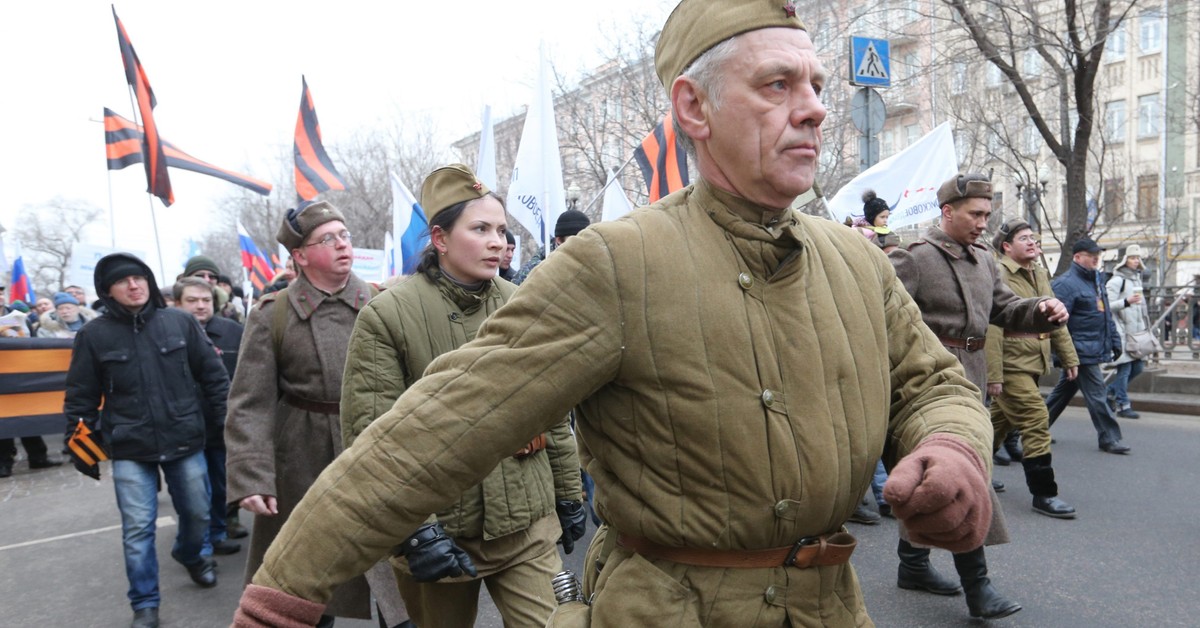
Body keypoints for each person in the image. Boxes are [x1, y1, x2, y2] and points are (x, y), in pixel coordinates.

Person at [232, 3, 999, 626]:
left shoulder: (857, 261)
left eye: (818, 86)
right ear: (694, 107)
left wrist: (952, 448)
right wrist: (283, 595)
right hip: (670, 612)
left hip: (830, 608)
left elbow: (933, 383)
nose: (815, 111)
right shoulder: (616, 264)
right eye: (777, 86)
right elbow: (431, 432)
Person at [341, 164, 583, 628]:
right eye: (480, 229)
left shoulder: (524, 302)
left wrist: (569, 494)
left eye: (500, 229)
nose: (497, 241)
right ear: (440, 238)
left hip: (526, 525)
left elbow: (552, 408)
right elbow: (372, 434)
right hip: (441, 532)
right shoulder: (387, 316)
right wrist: (416, 532)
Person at [888, 173, 1067, 620]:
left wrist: (1042, 311)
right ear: (947, 212)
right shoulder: (914, 259)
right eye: (976, 214)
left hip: (972, 373)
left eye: (988, 215)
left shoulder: (984, 258)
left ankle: (912, 565)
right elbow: (882, 320)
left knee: (931, 477)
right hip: (924, 381)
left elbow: (1005, 309)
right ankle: (979, 588)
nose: (984, 224)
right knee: (961, 478)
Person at [224, 200, 376, 624]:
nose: (343, 245)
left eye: (344, 236)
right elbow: (248, 403)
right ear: (300, 256)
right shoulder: (272, 316)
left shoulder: (381, 303)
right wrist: (252, 476)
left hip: (373, 448)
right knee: (306, 585)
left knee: (397, 577)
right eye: (328, 239)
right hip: (302, 460)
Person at [64, 253, 230, 628]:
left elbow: (215, 379)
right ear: (107, 291)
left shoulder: (181, 323)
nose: (134, 285)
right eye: (124, 281)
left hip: (185, 438)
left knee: (198, 513)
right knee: (137, 529)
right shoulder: (93, 335)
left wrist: (225, 427)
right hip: (128, 447)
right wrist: (81, 449)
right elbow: (80, 397)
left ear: (150, 282)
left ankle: (190, 555)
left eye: (139, 277)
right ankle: (145, 603)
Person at [985, 219, 1080, 519]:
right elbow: (993, 326)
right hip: (1011, 363)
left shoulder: (1038, 272)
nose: (1032, 242)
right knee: (1036, 418)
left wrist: (1069, 357)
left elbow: (1054, 315)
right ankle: (1044, 493)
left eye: (1033, 237)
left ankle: (969, 473)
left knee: (996, 425)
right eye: (1023, 238)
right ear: (1006, 246)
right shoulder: (997, 272)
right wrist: (994, 375)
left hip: (1032, 363)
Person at [174, 277, 244, 557]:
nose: (200, 306)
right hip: (182, 428)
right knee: (192, 493)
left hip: (220, 424)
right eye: (192, 300)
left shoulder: (232, 331)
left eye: (206, 300)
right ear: (177, 303)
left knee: (219, 485)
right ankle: (198, 545)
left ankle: (217, 533)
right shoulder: (165, 331)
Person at [1046, 237, 1131, 454]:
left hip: (1090, 348)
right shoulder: (1065, 284)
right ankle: (1109, 438)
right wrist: (1065, 354)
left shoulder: (1095, 280)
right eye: (1091, 254)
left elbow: (1104, 315)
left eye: (1098, 254)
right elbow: (1057, 323)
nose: (1096, 258)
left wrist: (1114, 340)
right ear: (1077, 257)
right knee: (1098, 394)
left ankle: (1032, 430)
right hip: (1079, 351)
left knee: (1062, 393)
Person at [1106, 245, 1148, 418]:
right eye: (1132, 257)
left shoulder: (1136, 280)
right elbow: (1106, 305)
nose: (1136, 261)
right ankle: (1123, 405)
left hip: (1136, 334)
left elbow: (1142, 308)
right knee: (1125, 368)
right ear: (1124, 261)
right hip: (1121, 332)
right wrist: (1127, 301)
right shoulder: (1117, 281)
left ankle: (1109, 392)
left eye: (1138, 258)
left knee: (1138, 367)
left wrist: (1147, 327)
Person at [512, 209, 590, 284]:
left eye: (585, 239)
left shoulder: (593, 266)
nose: (581, 245)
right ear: (559, 240)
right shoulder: (534, 272)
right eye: (575, 240)